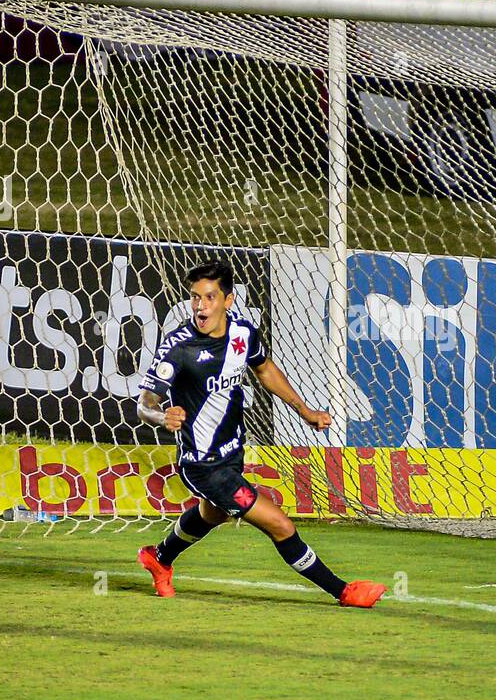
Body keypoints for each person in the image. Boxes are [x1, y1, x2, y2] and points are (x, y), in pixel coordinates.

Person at [135, 259, 386, 608]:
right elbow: (144, 402)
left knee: (212, 515)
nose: (200, 307)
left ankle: (159, 557)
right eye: (195, 298)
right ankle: (344, 591)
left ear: (228, 300)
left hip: (231, 454)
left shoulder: (243, 333)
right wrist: (161, 416)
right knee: (279, 524)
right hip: (203, 464)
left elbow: (265, 369)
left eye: (209, 298)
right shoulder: (179, 345)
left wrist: (304, 410)